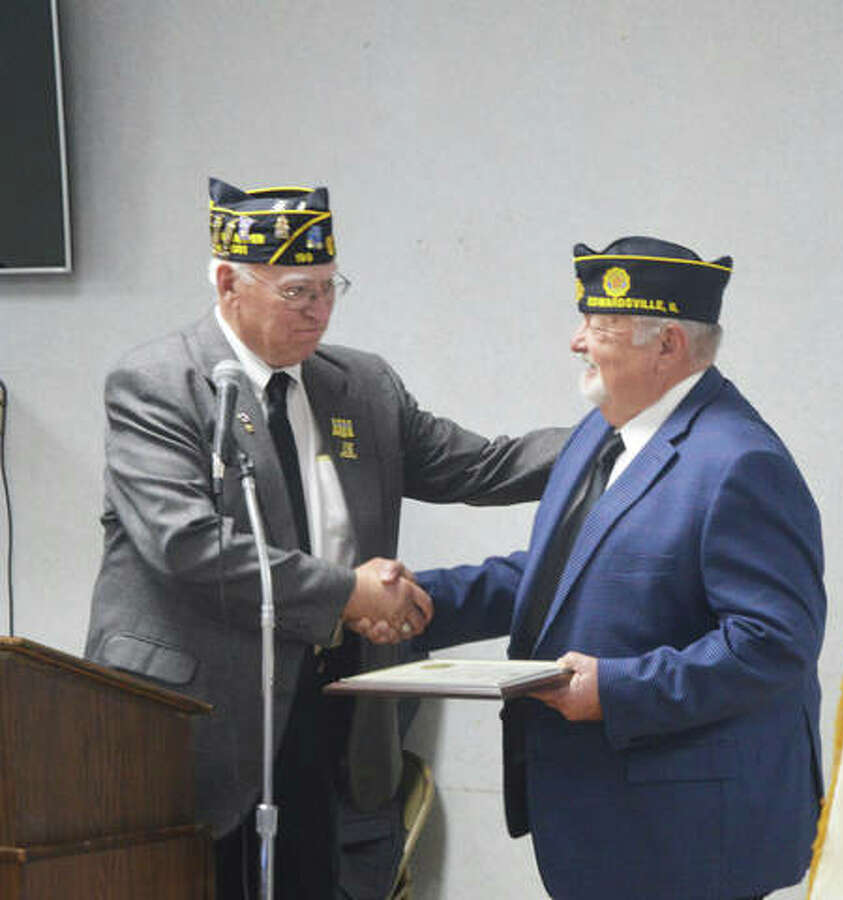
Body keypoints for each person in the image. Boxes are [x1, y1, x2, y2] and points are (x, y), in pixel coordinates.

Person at [85, 177, 564, 900]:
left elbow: (480, 464)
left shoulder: (359, 385)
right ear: (227, 282)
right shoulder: (161, 383)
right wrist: (349, 593)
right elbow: (187, 547)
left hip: (320, 700)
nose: (319, 310)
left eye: (328, 287)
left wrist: (620, 435)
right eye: (295, 292)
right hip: (192, 718)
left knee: (308, 880)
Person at [413, 236, 827, 900]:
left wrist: (618, 688)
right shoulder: (603, 433)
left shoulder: (740, 461)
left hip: (689, 839)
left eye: (599, 327)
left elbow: (774, 644)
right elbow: (557, 577)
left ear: (667, 347)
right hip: (609, 821)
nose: (577, 343)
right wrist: (424, 603)